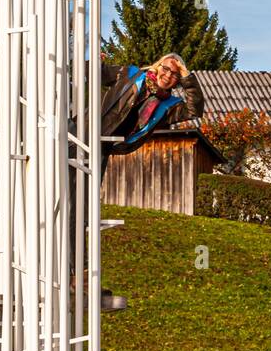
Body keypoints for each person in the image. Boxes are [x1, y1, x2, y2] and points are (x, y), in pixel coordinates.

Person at [69, 54, 205, 306]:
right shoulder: (130, 74)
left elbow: (195, 109)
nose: (169, 75)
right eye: (167, 69)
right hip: (80, 136)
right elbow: (90, 72)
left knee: (81, 211)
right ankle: (74, 275)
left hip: (101, 149)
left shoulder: (169, 106)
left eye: (175, 75)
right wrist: (93, 61)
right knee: (68, 206)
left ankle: (79, 277)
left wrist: (188, 78)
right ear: (157, 66)